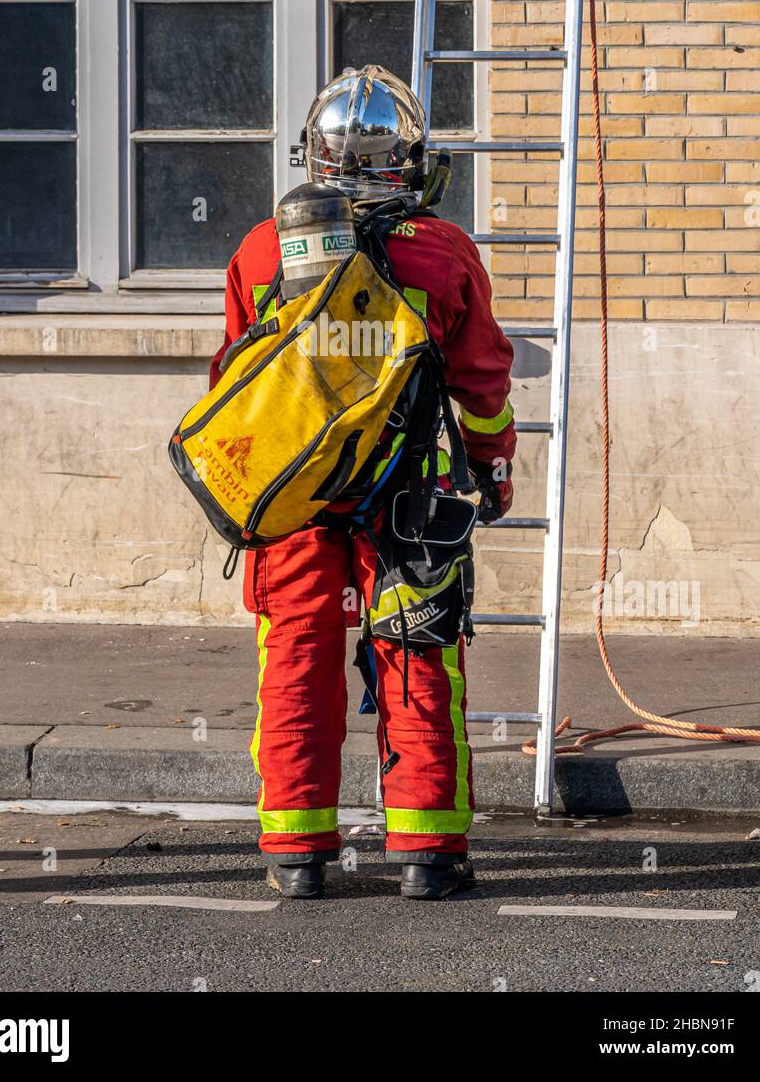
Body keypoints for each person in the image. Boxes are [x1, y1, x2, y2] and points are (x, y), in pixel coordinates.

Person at [210, 65, 516, 900]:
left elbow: (232, 382)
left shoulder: (263, 249)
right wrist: (493, 472)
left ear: (315, 154)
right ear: (407, 161)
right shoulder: (445, 253)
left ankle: (296, 854)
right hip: (411, 501)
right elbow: (481, 384)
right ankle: (426, 852)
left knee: (296, 663)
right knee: (418, 660)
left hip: (293, 502)